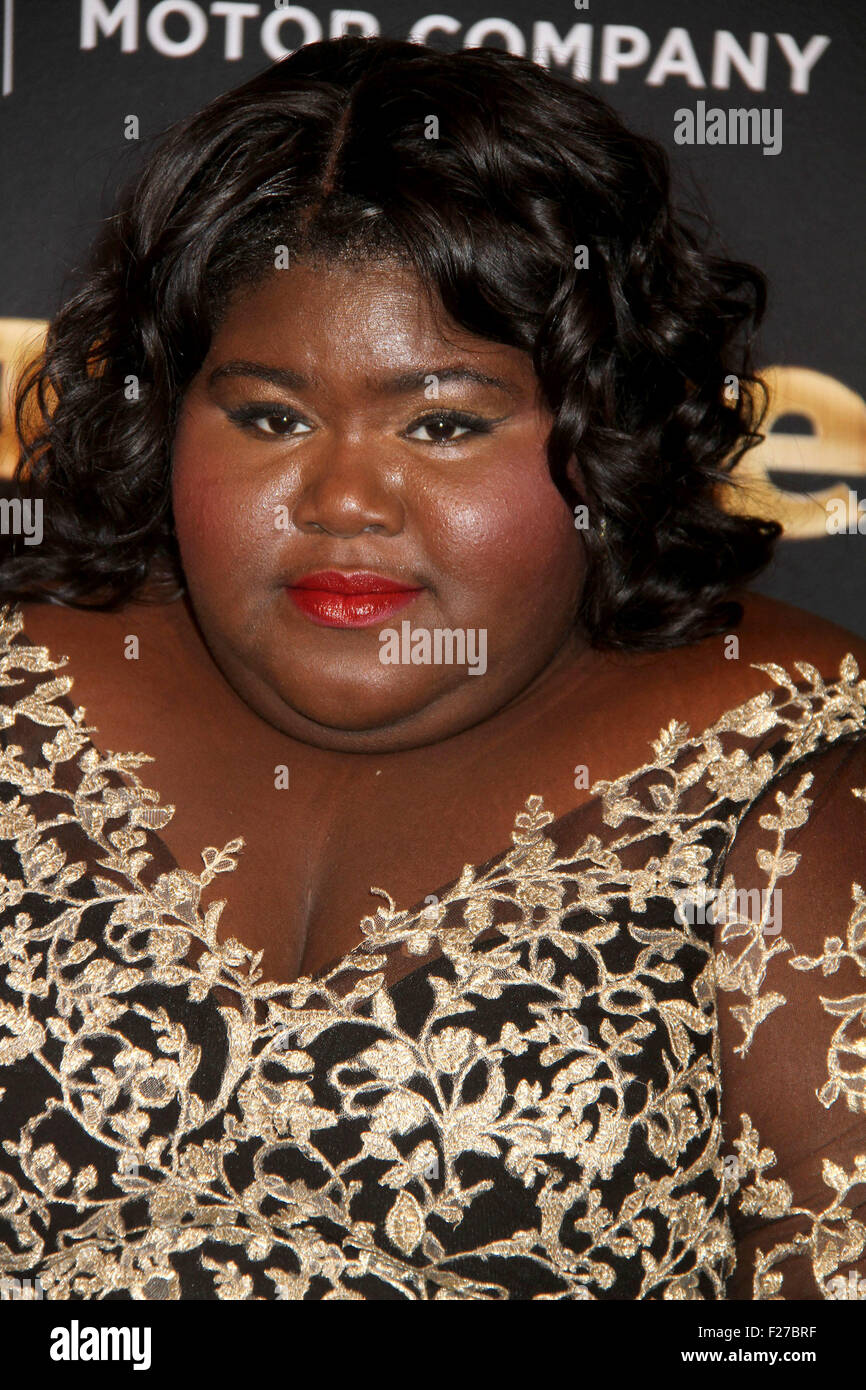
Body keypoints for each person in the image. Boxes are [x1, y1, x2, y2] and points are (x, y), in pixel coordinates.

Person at [0, 35, 863, 1302]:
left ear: (604, 429)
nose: (344, 498)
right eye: (270, 416)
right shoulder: (19, 693)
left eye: (445, 422)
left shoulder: (788, 771)